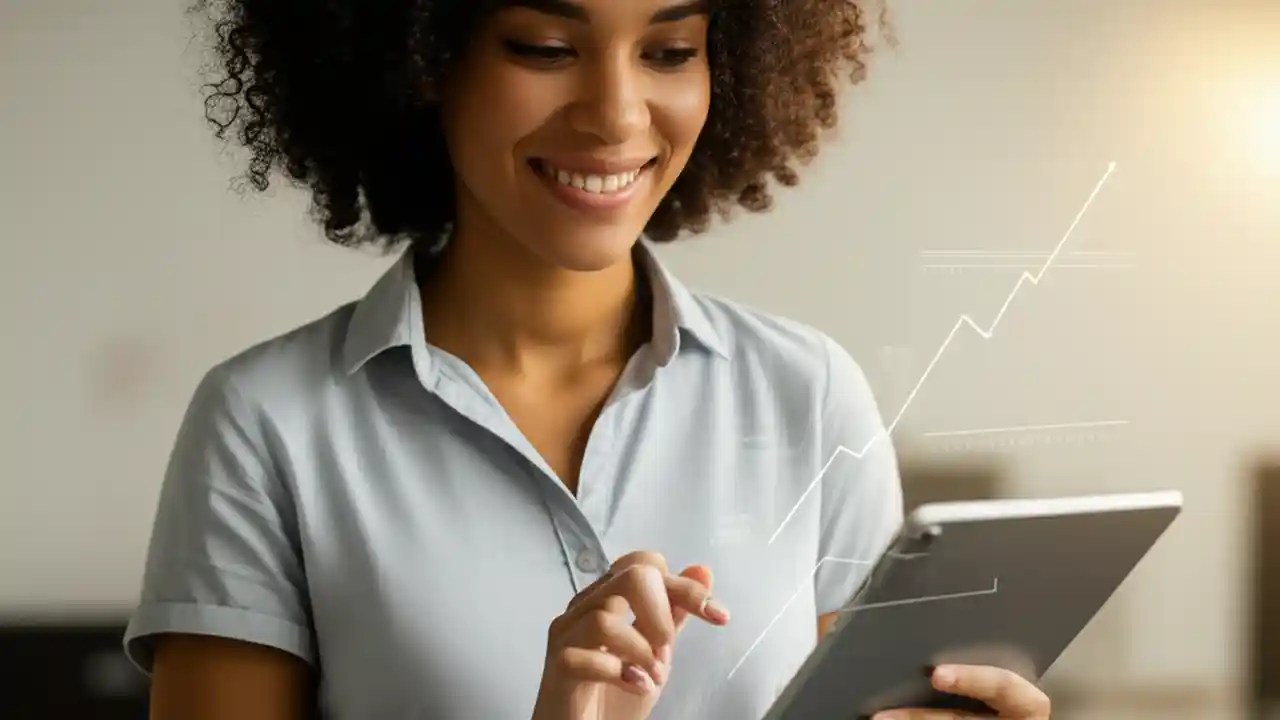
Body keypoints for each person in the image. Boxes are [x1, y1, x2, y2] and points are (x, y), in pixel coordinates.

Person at [124, 1, 1054, 718]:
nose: (616, 114)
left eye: (670, 51)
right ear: (423, 62)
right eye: (544, 47)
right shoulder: (267, 423)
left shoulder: (807, 394)